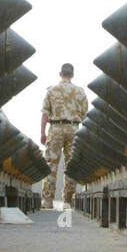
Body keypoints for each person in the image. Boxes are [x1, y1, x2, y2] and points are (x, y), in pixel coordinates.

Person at [40, 63, 87, 210]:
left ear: (60, 73)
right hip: (74, 129)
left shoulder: (52, 90)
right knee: (71, 165)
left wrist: (42, 133)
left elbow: (45, 114)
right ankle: (67, 201)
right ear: (72, 75)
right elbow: (85, 114)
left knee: (51, 164)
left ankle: (48, 201)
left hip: (56, 128)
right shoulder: (80, 92)